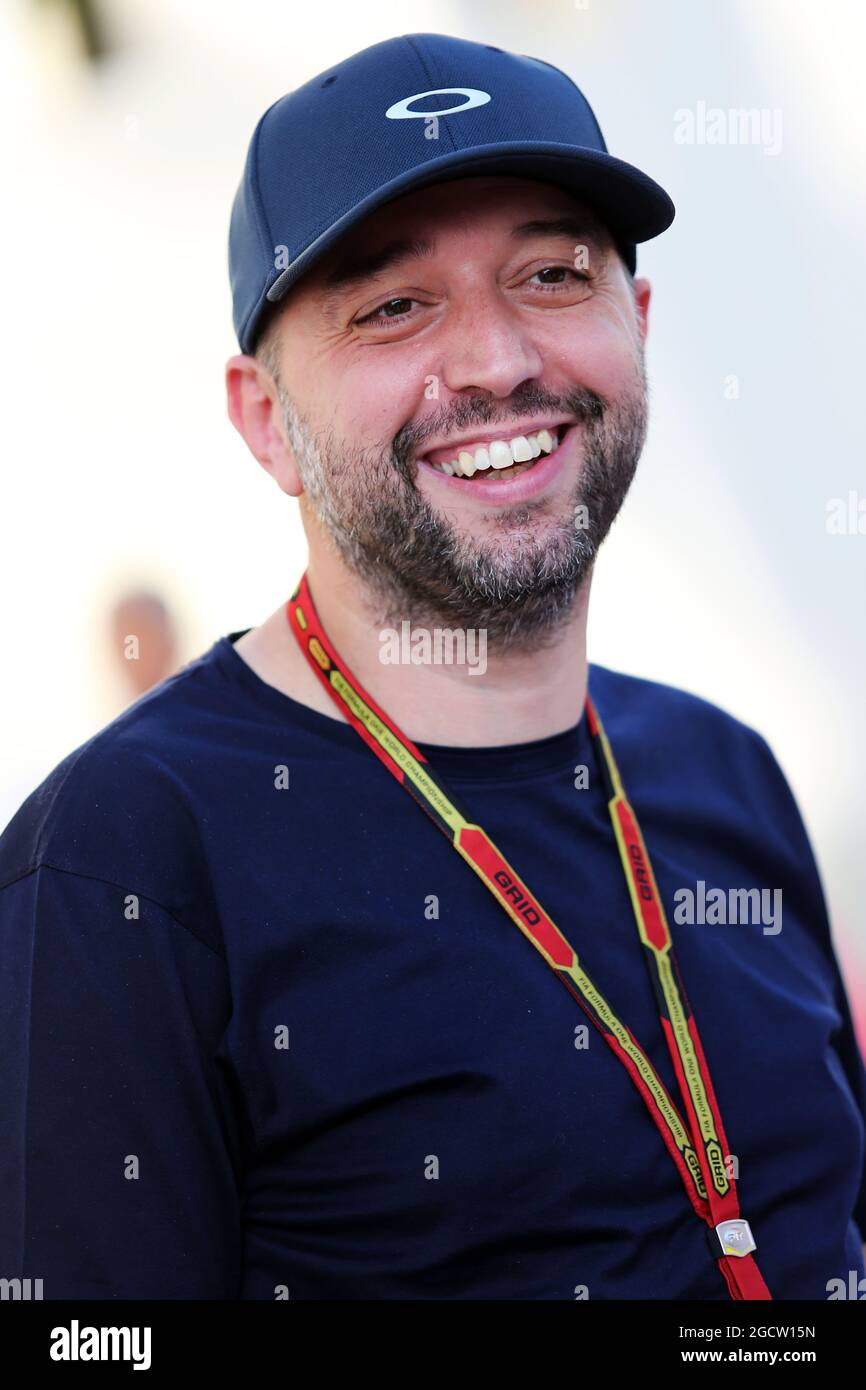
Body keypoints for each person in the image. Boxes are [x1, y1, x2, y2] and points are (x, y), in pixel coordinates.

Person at [1, 32, 864, 1302]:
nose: (497, 361)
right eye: (392, 306)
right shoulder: (118, 860)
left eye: (550, 273)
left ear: (637, 321)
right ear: (264, 419)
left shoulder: (723, 770)